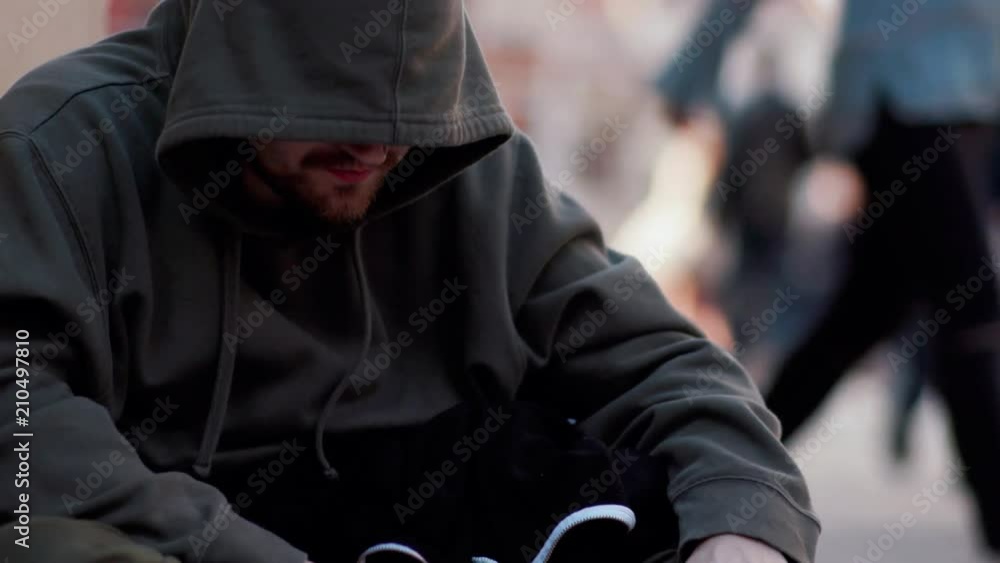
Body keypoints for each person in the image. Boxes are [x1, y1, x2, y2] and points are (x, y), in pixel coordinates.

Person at [0, 1, 820, 562]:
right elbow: (22, 425)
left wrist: (745, 522)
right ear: (242, 75)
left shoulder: (462, 171)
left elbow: (664, 365)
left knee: (675, 498)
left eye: (401, 117)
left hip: (411, 515)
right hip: (175, 532)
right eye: (336, 115)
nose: (376, 150)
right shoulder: (58, 150)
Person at [658, 0, 1000, 554]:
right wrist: (689, 77)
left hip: (972, 103)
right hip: (904, 98)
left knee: (865, 315)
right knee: (974, 313)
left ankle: (719, 459)